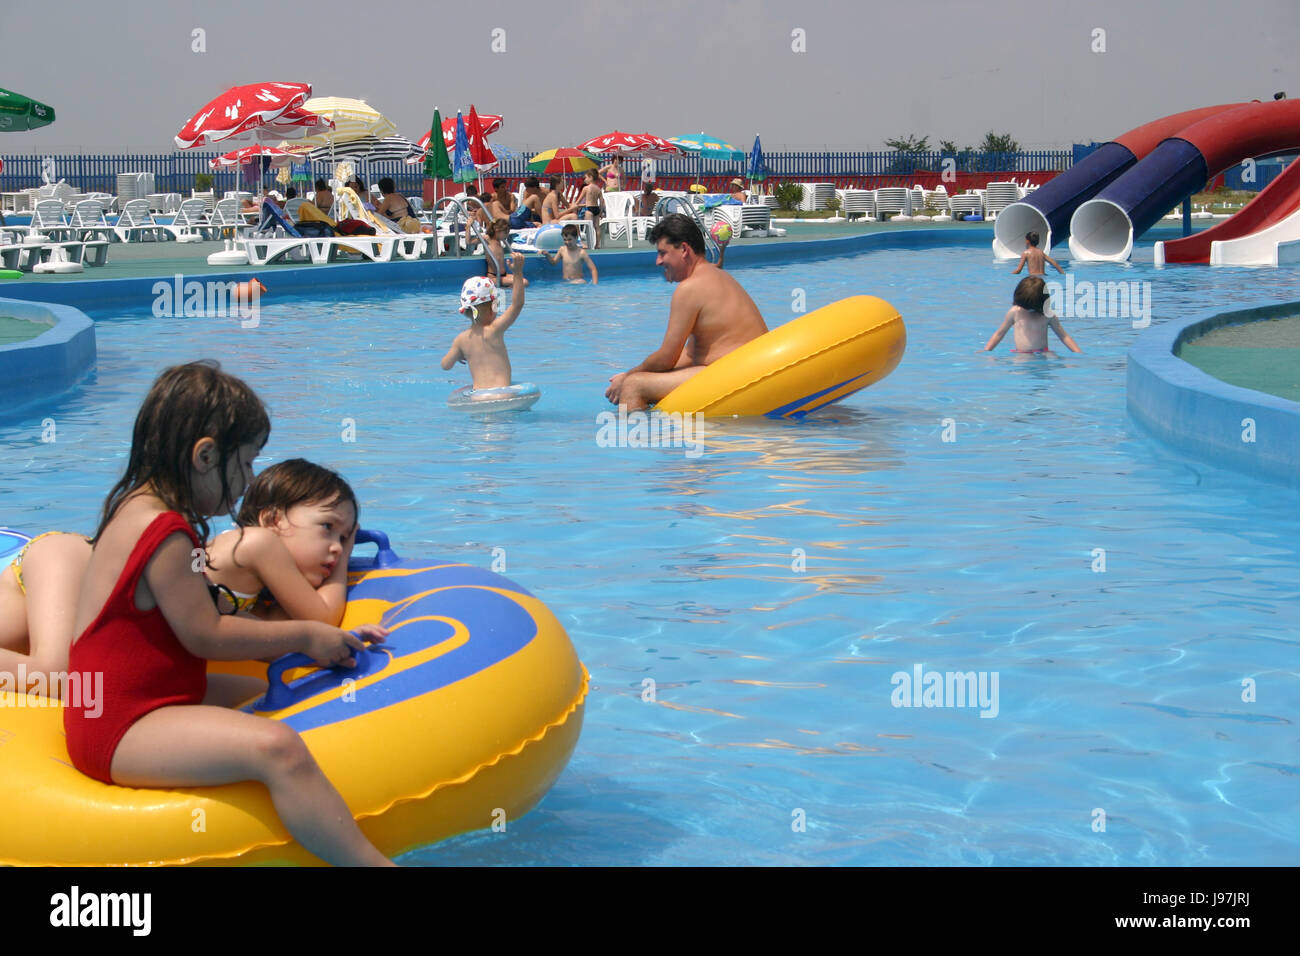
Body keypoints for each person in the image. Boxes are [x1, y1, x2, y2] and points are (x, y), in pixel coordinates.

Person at [61, 360, 393, 866]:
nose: (250, 478)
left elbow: (202, 613)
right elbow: (206, 636)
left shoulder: (137, 509)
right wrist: (306, 635)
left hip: (142, 696)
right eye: (246, 462)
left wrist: (325, 641)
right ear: (205, 456)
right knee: (278, 746)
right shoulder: (164, 532)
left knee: (275, 697)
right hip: (119, 725)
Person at [605, 214, 768, 411]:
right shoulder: (718, 275)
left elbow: (667, 358)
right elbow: (690, 354)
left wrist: (628, 377)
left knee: (634, 386)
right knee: (648, 379)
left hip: (737, 375)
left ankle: (632, 438)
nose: (658, 261)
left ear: (683, 249)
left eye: (662, 253)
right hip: (750, 369)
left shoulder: (690, 288)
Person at [204, 459, 364, 625]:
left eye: (343, 538)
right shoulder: (260, 544)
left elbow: (268, 622)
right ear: (272, 520)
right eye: (327, 526)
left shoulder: (240, 566)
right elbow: (323, 620)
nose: (338, 547)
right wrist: (344, 559)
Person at [441, 261, 527, 390]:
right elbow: (517, 304)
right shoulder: (494, 330)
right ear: (493, 308)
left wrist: (458, 354)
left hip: (478, 399)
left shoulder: (461, 340)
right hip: (502, 395)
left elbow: (445, 365)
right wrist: (518, 272)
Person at [983, 276, 1082, 354]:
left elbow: (1064, 336)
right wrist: (987, 351)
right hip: (1021, 355)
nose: (1028, 310)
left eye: (1032, 307)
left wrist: (1078, 352)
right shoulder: (1015, 312)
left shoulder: (1048, 314)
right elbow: (999, 333)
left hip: (1043, 353)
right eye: (1024, 306)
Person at [482, 219, 527, 287]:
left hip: (504, 275)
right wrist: (468, 226)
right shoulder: (488, 239)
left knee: (523, 281)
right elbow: (469, 242)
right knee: (523, 283)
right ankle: (509, 291)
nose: (507, 235)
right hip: (493, 277)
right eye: (506, 233)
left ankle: (507, 290)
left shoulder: (499, 241)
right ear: (497, 230)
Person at [577, 170, 605, 249]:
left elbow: (578, 201)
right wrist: (601, 211)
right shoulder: (598, 189)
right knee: (597, 227)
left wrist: (576, 205)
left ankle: (590, 244)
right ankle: (597, 244)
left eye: (585, 178)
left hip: (589, 209)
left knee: (588, 227)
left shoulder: (586, 188)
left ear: (591, 177)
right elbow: (602, 201)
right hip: (596, 208)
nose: (584, 179)